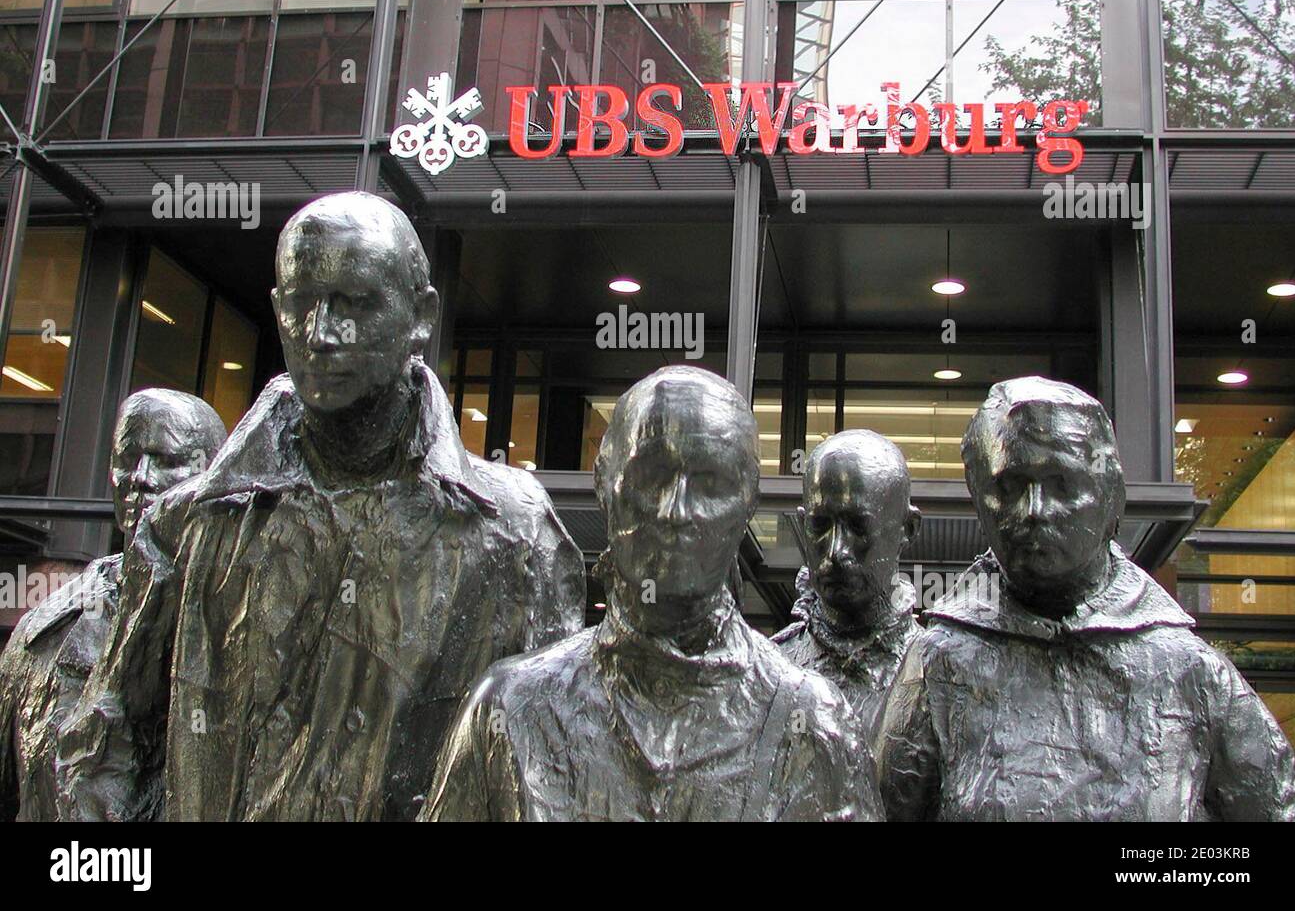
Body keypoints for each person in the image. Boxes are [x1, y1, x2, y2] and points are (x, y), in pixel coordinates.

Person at [57, 192, 585, 821]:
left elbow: (551, 764)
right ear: (278, 308)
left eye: (354, 304)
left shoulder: (516, 531)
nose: (320, 334)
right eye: (301, 304)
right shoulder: (187, 525)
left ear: (421, 315)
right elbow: (108, 743)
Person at [423, 366, 879, 821]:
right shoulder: (509, 709)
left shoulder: (815, 726)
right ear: (604, 484)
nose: (676, 512)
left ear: (747, 505)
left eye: (710, 484)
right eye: (653, 475)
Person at [878, 376, 1295, 821]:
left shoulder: (1190, 672)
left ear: (1111, 495)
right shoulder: (936, 663)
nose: (1034, 510)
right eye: (1009, 486)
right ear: (979, 501)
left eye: (1060, 483)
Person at [0, 390, 225, 821]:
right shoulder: (42, 635)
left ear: (214, 478)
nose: (140, 477)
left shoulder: (247, 625)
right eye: (128, 457)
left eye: (166, 460)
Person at [772, 430, 921, 747]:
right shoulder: (769, 669)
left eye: (858, 526)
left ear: (907, 529)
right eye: (820, 526)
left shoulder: (937, 671)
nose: (836, 551)